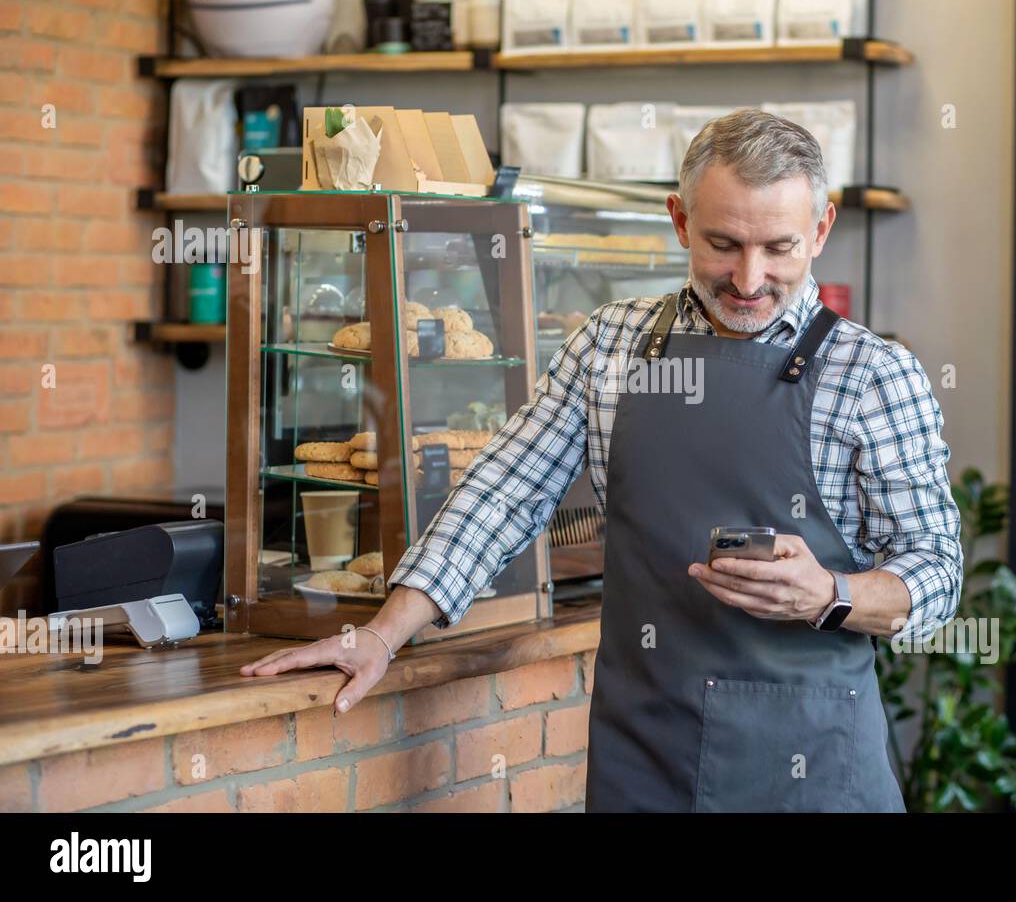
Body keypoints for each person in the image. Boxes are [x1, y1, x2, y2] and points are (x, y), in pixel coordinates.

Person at [242, 107, 962, 812]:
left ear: (821, 230)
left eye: (779, 248)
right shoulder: (611, 345)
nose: (748, 279)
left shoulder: (873, 374)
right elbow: (503, 492)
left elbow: (936, 569)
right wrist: (380, 634)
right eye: (722, 244)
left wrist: (831, 594)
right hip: (646, 755)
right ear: (679, 222)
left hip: (810, 766)